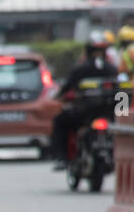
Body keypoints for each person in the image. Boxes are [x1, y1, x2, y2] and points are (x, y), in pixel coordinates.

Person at [47, 31, 117, 168]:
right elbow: (124, 91)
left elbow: (66, 89)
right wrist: (122, 112)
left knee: (59, 122)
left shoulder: (80, 69)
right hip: (110, 114)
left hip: (83, 115)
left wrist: (57, 97)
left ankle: (61, 158)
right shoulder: (113, 69)